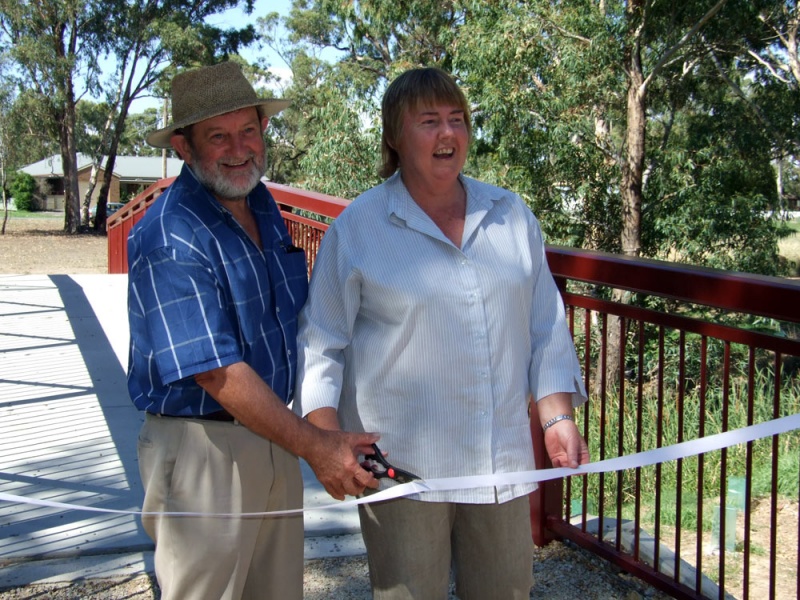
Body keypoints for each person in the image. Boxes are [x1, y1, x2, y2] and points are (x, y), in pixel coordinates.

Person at [294, 66, 590, 599]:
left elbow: (546, 325)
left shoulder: (510, 215)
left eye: (457, 119)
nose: (448, 133)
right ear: (394, 136)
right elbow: (322, 343)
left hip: (498, 465)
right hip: (401, 468)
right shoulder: (358, 227)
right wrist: (326, 441)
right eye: (429, 121)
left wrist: (557, 418)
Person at [126, 61, 379, 600]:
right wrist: (316, 446)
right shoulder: (170, 234)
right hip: (201, 451)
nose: (238, 149)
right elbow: (215, 372)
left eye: (248, 130)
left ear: (264, 130)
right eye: (217, 136)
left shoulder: (259, 202)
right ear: (183, 147)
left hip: (273, 433)